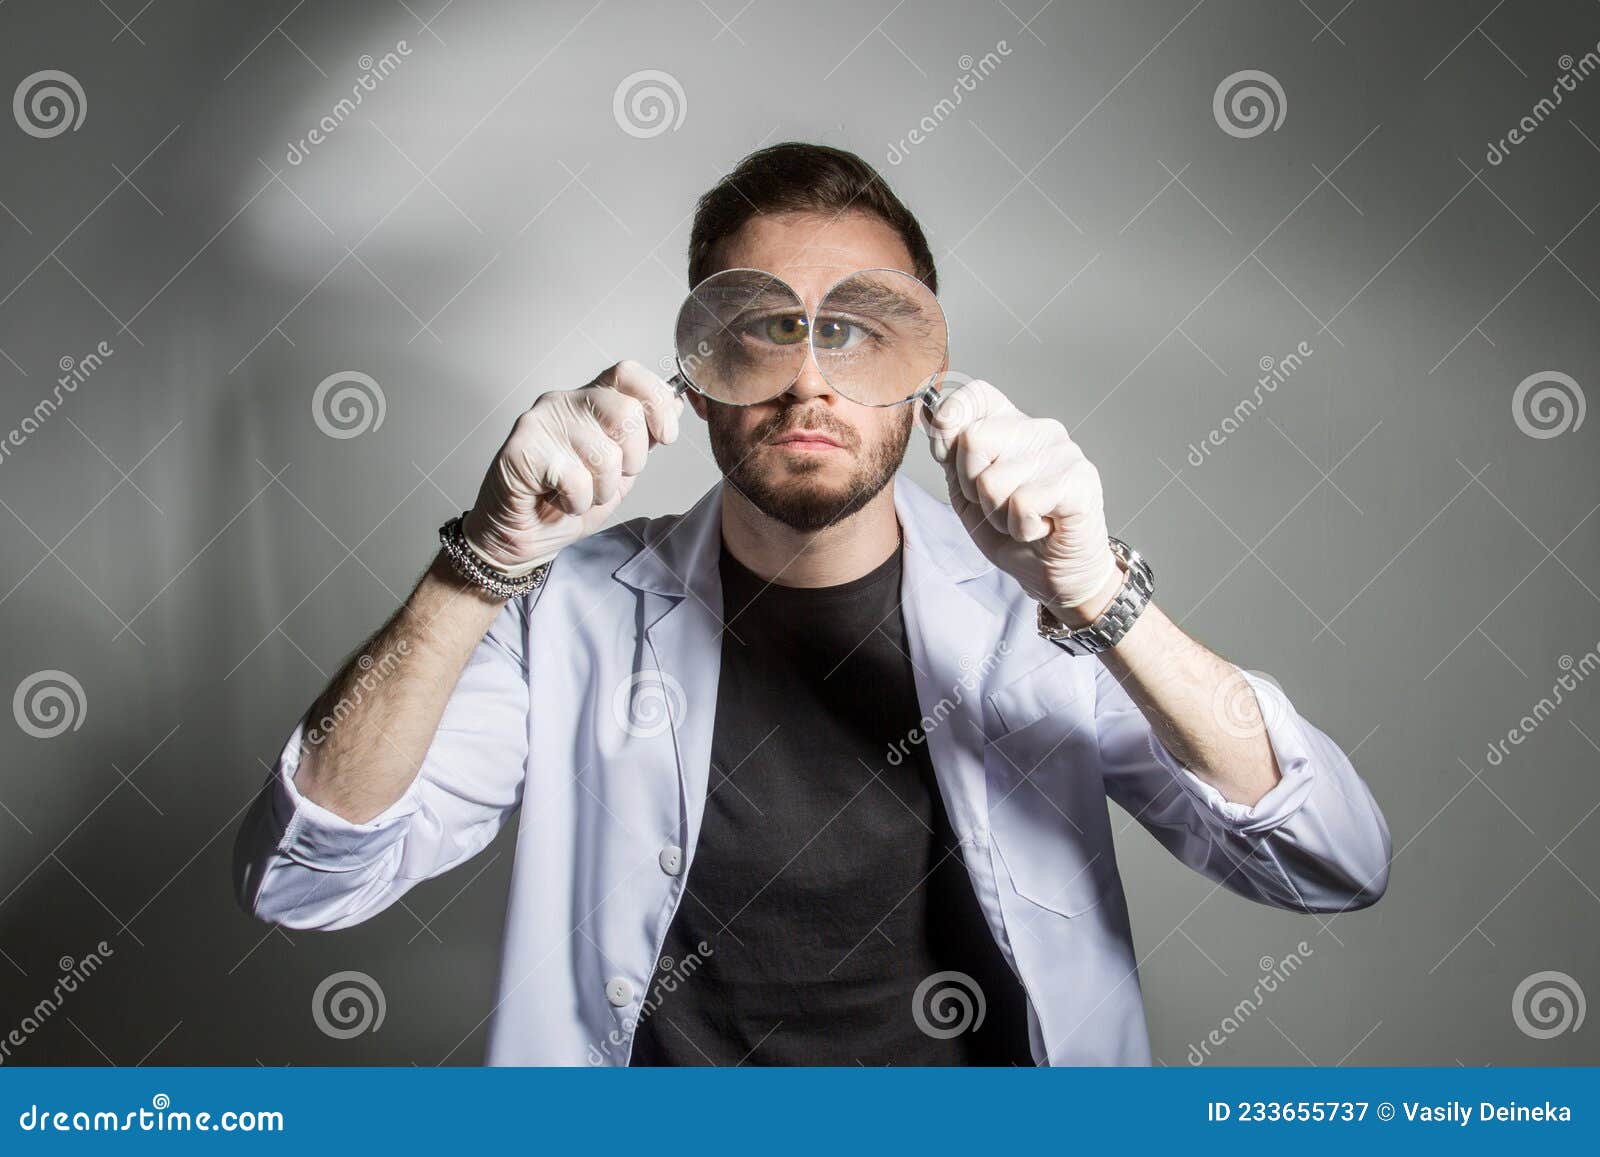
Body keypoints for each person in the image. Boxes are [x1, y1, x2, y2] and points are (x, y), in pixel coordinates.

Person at [233, 141, 1390, 1066]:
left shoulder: (1033, 611)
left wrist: (1100, 596)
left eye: (855, 328)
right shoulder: (569, 610)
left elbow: (1330, 859)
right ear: (697, 368)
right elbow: (304, 875)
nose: (808, 378)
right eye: (762, 328)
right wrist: (486, 553)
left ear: (922, 373)